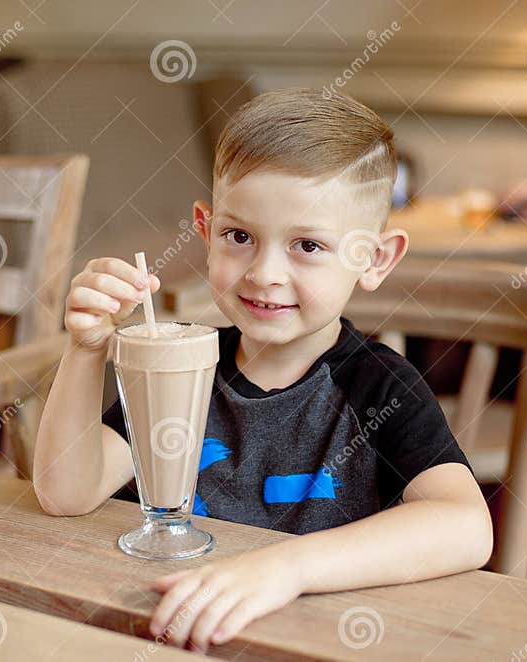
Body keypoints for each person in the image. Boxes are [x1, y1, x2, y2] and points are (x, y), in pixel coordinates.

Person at [33, 88, 492, 653]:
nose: (264, 273)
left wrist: (286, 568)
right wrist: (84, 349)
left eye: (307, 245)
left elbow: (467, 527)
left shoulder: (378, 385)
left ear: (375, 259)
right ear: (205, 230)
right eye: (240, 237)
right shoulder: (182, 365)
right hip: (163, 631)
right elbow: (65, 492)